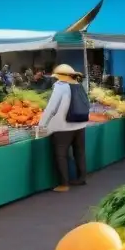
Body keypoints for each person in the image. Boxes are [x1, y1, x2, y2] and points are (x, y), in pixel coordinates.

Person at [38, 64, 90, 192]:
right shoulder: (78, 84)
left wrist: (42, 124)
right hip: (80, 124)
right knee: (80, 152)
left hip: (63, 126)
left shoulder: (61, 86)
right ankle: (81, 177)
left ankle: (64, 184)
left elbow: (52, 107)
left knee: (61, 154)